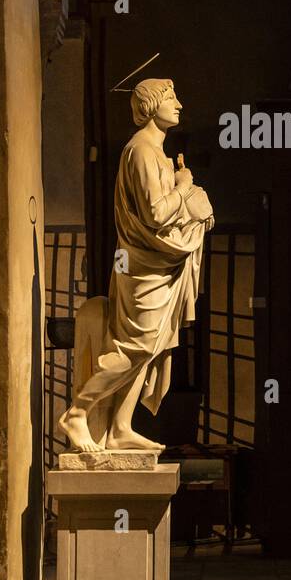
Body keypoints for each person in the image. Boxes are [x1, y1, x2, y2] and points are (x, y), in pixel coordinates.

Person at [59, 77, 214, 453]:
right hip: (142, 268)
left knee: (151, 345)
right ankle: (77, 413)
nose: (179, 104)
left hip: (156, 267)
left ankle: (120, 427)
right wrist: (186, 188)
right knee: (135, 346)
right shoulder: (142, 151)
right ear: (149, 106)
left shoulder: (156, 153)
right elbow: (157, 214)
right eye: (171, 97)